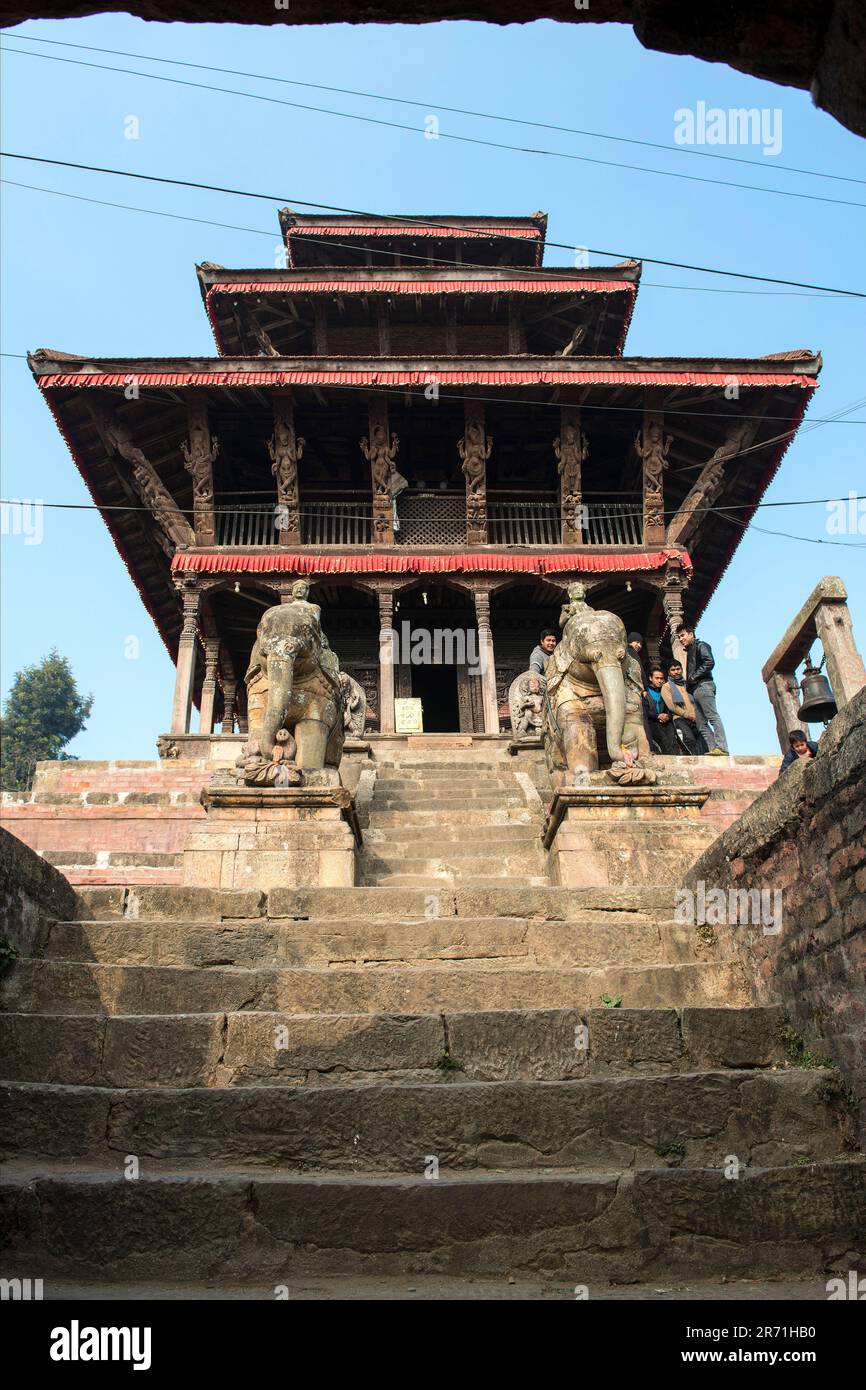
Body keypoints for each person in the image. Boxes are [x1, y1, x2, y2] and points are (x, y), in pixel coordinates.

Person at [676, 623, 728, 755]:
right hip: (696, 689)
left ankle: (722, 747)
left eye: (683, 635)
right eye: (679, 637)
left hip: (704, 685)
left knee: (712, 716)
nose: (681, 639)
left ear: (691, 634)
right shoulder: (690, 650)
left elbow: (709, 661)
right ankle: (713, 749)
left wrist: (693, 677)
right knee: (701, 724)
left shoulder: (701, 645)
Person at [661, 660, 703, 755]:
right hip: (680, 718)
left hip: (696, 717)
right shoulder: (666, 687)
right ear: (669, 672)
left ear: (682, 669)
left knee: (702, 741)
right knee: (689, 740)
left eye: (678, 669)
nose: (676, 672)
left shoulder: (688, 684)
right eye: (673, 670)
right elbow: (672, 706)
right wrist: (687, 715)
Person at [643, 665, 679, 754]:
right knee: (663, 744)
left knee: (673, 743)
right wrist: (658, 716)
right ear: (650, 678)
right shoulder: (645, 692)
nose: (659, 680)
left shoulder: (665, 691)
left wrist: (667, 716)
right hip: (652, 722)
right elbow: (645, 710)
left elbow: (672, 707)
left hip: (666, 722)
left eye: (661, 678)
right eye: (657, 678)